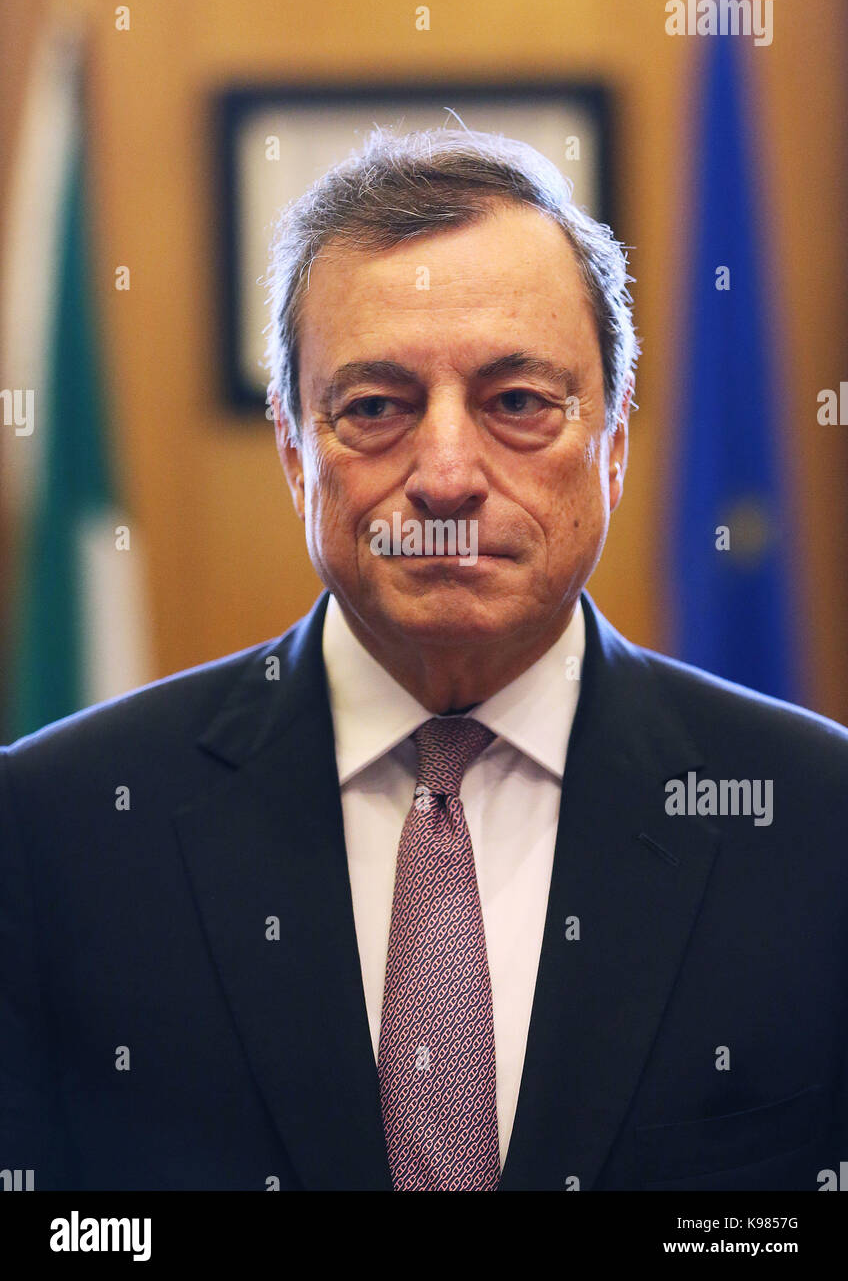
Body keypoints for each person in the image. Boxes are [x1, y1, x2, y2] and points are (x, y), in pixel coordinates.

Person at [1, 127, 846, 1193]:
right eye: (375, 408)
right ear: (292, 446)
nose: (445, 474)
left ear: (616, 439)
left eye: (516, 403)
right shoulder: (57, 825)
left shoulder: (816, 817)